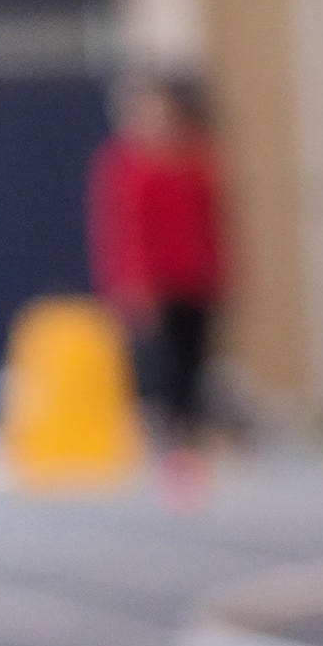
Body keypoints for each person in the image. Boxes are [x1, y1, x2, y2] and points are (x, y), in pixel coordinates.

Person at [86, 75, 226, 459]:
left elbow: (212, 223)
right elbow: (121, 230)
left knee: (195, 360)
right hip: (153, 281)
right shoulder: (126, 164)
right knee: (162, 365)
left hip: (196, 279)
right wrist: (128, 283)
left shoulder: (197, 157)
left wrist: (222, 274)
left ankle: (191, 431)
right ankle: (168, 437)